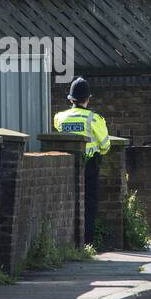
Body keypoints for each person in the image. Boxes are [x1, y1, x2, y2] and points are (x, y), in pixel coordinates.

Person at [53, 77, 111, 237]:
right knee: (89, 203)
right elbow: (105, 145)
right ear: (88, 98)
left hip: (65, 165)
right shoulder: (94, 119)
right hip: (89, 166)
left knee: (67, 202)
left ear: (71, 99)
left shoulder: (59, 118)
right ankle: (87, 241)